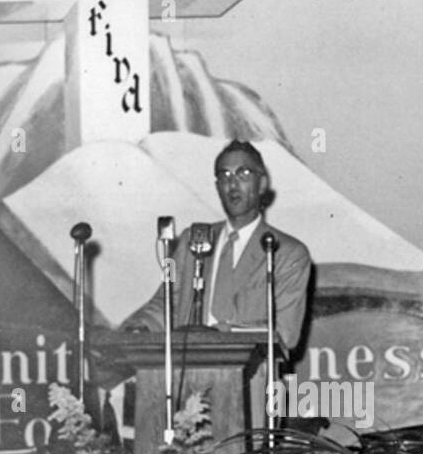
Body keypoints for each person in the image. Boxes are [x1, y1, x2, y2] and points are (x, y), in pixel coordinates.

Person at [122, 140, 313, 354]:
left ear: (262, 184)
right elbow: (165, 301)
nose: (233, 185)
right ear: (217, 187)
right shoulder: (189, 241)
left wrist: (219, 334)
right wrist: (139, 326)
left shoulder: (287, 253)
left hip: (252, 378)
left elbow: (286, 333)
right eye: (225, 176)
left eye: (244, 174)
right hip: (185, 373)